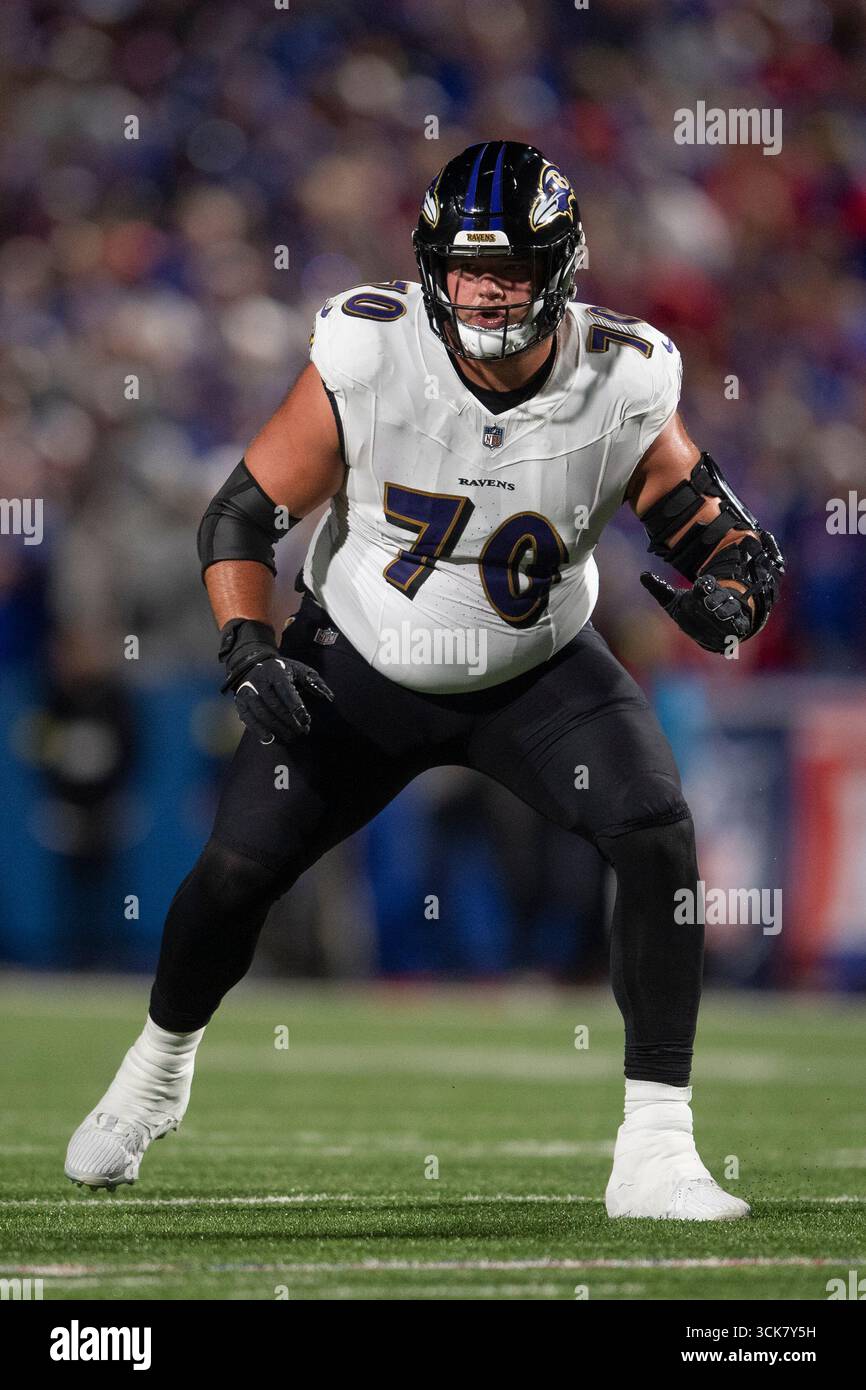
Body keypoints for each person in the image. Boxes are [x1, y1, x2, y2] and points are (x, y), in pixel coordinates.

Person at [65, 141, 783, 1220]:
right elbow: (241, 514)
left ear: (560, 268)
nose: (484, 292)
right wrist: (248, 644)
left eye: (508, 269)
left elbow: (712, 528)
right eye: (464, 267)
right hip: (358, 661)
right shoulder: (368, 353)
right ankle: (157, 1069)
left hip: (535, 667)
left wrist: (731, 586)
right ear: (428, 265)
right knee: (234, 871)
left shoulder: (621, 375)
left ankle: (655, 1147)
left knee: (654, 832)